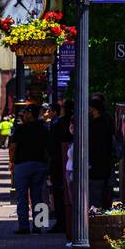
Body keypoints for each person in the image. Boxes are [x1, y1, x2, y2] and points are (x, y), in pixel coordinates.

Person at [9, 103, 50, 234]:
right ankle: (39, 226)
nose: (24, 115)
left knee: (22, 197)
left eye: (26, 113)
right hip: (40, 165)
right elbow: (48, 148)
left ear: (31, 114)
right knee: (38, 196)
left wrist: (12, 161)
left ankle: (24, 227)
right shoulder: (44, 128)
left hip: (22, 165)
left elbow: (13, 147)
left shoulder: (21, 129)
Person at [47, 100, 75, 233]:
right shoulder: (78, 122)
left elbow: (51, 146)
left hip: (59, 164)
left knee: (59, 192)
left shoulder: (58, 125)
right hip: (70, 163)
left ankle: (62, 221)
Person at [88, 95, 117, 211]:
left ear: (94, 110)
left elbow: (92, 146)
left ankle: (95, 224)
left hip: (95, 167)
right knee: (104, 196)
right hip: (105, 164)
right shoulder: (107, 123)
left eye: (90, 108)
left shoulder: (93, 126)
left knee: (95, 199)